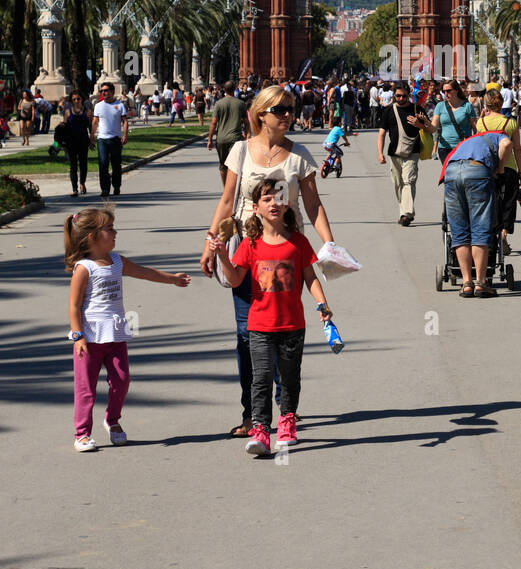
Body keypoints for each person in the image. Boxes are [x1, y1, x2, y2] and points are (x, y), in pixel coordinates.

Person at [201, 84, 335, 437]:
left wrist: (329, 244)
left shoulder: (300, 155)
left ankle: (284, 404)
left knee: (283, 328)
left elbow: (313, 204)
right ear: (261, 114)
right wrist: (209, 242)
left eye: (291, 109)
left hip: (286, 255)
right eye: (281, 110)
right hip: (247, 251)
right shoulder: (241, 152)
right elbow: (227, 201)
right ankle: (253, 415)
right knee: (248, 335)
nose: (289, 115)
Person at [213, 181, 334, 455]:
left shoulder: (298, 242)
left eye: (279, 198)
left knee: (290, 377)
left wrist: (322, 303)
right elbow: (235, 280)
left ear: (287, 204)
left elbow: (310, 277)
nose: (274, 203)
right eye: (267, 199)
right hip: (259, 325)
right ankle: (260, 430)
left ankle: (288, 421)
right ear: (255, 209)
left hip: (292, 325)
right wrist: (222, 256)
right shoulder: (250, 244)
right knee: (262, 377)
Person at [65, 207, 190, 451]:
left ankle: (112, 420)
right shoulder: (84, 268)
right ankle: (82, 434)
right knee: (85, 389)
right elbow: (74, 305)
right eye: (109, 228)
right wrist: (78, 335)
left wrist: (172, 279)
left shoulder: (117, 261)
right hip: (89, 339)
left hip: (115, 335)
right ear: (92, 236)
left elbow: (145, 273)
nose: (115, 232)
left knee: (122, 381)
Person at [441, 126, 512, 295]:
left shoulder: (468, 141)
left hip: (451, 172)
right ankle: (480, 282)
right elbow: (507, 144)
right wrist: (500, 168)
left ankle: (466, 283)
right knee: (480, 228)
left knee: (459, 230)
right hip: (476, 171)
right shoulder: (498, 137)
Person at [475, 87, 521, 254]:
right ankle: (503, 234)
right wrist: (520, 171)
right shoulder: (510, 123)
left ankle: (489, 233)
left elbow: (478, 145)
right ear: (502, 103)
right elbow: (517, 148)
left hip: (487, 168)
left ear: (486, 104)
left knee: (490, 202)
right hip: (508, 168)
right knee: (509, 202)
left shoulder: (480, 123)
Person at [377, 82, 431, 225]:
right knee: (398, 183)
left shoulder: (417, 109)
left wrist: (419, 124)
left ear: (409, 95)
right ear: (394, 95)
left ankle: (407, 213)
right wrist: (380, 153)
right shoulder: (388, 111)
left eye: (404, 96)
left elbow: (431, 129)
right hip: (394, 153)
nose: (401, 99)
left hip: (413, 152)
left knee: (409, 181)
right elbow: (382, 133)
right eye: (398, 96)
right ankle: (403, 212)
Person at [207, 79, 249, 185]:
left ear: (224, 90)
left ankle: (226, 188)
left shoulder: (219, 104)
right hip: (236, 139)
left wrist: (210, 139)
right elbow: (246, 122)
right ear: (235, 89)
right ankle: (235, 188)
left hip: (222, 139)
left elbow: (213, 123)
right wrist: (247, 135)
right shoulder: (240, 104)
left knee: (223, 165)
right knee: (236, 165)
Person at [90, 82, 128, 198]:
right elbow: (95, 122)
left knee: (116, 165)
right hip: (102, 139)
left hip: (116, 139)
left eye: (106, 90)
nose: (104, 93)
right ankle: (105, 189)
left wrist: (125, 135)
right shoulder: (98, 106)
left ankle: (116, 186)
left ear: (112, 91)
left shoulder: (119, 105)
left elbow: (125, 121)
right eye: (102, 91)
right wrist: (91, 137)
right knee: (103, 165)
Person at [431, 78, 476, 164]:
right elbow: (433, 127)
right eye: (443, 91)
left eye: (448, 91)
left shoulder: (467, 106)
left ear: (456, 90)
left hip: (463, 146)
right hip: (444, 148)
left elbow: (475, 128)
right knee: (448, 174)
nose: (445, 94)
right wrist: (424, 123)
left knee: (461, 175)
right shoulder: (440, 106)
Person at [63, 91, 91, 197]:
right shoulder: (67, 112)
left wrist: (92, 139)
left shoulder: (87, 112)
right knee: (73, 166)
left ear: (82, 100)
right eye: (74, 99)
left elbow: (90, 127)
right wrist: (58, 143)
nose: (76, 101)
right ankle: (74, 189)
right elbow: (64, 127)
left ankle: (82, 183)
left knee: (83, 164)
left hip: (83, 141)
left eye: (78, 99)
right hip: (71, 142)